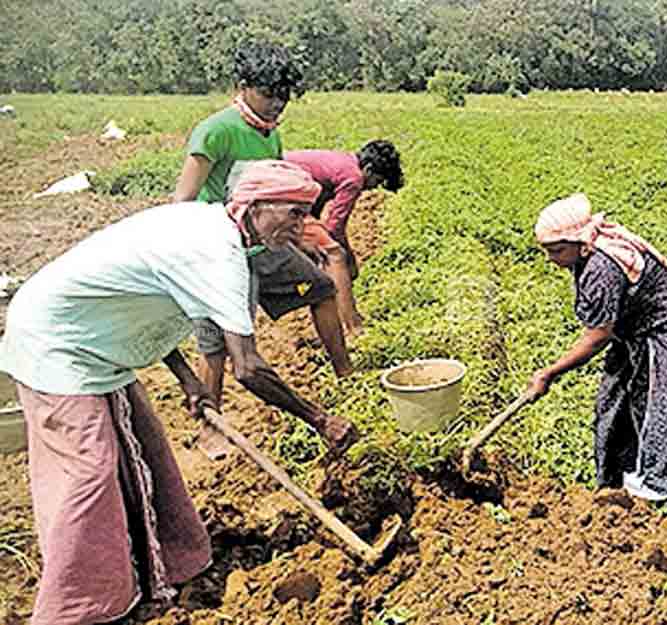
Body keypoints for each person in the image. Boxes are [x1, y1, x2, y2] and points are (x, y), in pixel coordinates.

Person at [0, 160, 358, 625]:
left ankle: (161, 565)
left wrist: (188, 379)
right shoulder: (218, 252)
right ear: (253, 206)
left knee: (145, 451)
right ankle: (75, 607)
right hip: (58, 342)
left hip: (99, 340)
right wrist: (319, 419)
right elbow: (248, 368)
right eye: (291, 213)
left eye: (305, 214)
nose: (300, 226)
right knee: (89, 470)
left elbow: (151, 298)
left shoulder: (217, 228)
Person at [171, 42, 351, 405]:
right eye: (268, 94)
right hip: (219, 251)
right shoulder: (216, 131)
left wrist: (302, 238)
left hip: (264, 245)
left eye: (283, 95)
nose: (276, 103)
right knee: (217, 346)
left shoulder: (271, 133)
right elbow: (183, 201)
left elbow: (279, 196)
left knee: (321, 288)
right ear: (243, 85)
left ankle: (346, 377)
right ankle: (211, 424)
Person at [527, 193, 667, 502]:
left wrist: (549, 373)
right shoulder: (586, 253)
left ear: (579, 241)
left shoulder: (602, 268)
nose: (552, 259)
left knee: (665, 405)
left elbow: (597, 336)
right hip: (634, 327)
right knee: (616, 398)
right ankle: (620, 477)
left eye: (557, 250)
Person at [285, 140, 405, 336]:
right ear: (368, 168)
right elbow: (335, 226)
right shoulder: (354, 178)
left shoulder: (343, 162)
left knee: (322, 254)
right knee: (336, 257)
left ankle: (331, 313)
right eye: (378, 180)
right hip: (279, 196)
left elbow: (317, 202)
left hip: (275, 186)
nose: (374, 188)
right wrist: (349, 258)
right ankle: (354, 326)